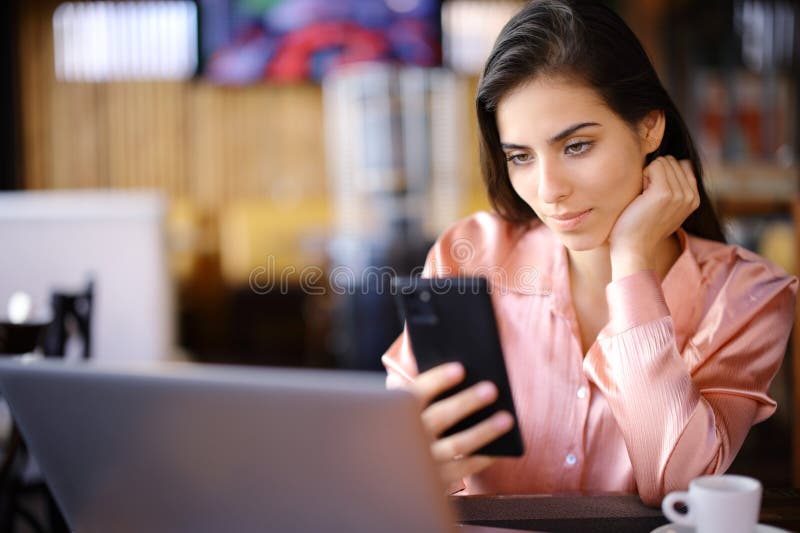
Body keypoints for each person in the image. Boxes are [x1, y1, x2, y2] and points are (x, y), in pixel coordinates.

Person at [381, 0, 798, 507]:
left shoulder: (747, 294)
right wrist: (415, 462)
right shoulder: (468, 256)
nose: (548, 189)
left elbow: (678, 485)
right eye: (520, 157)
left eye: (576, 145)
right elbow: (391, 467)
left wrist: (631, 265)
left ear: (649, 128)